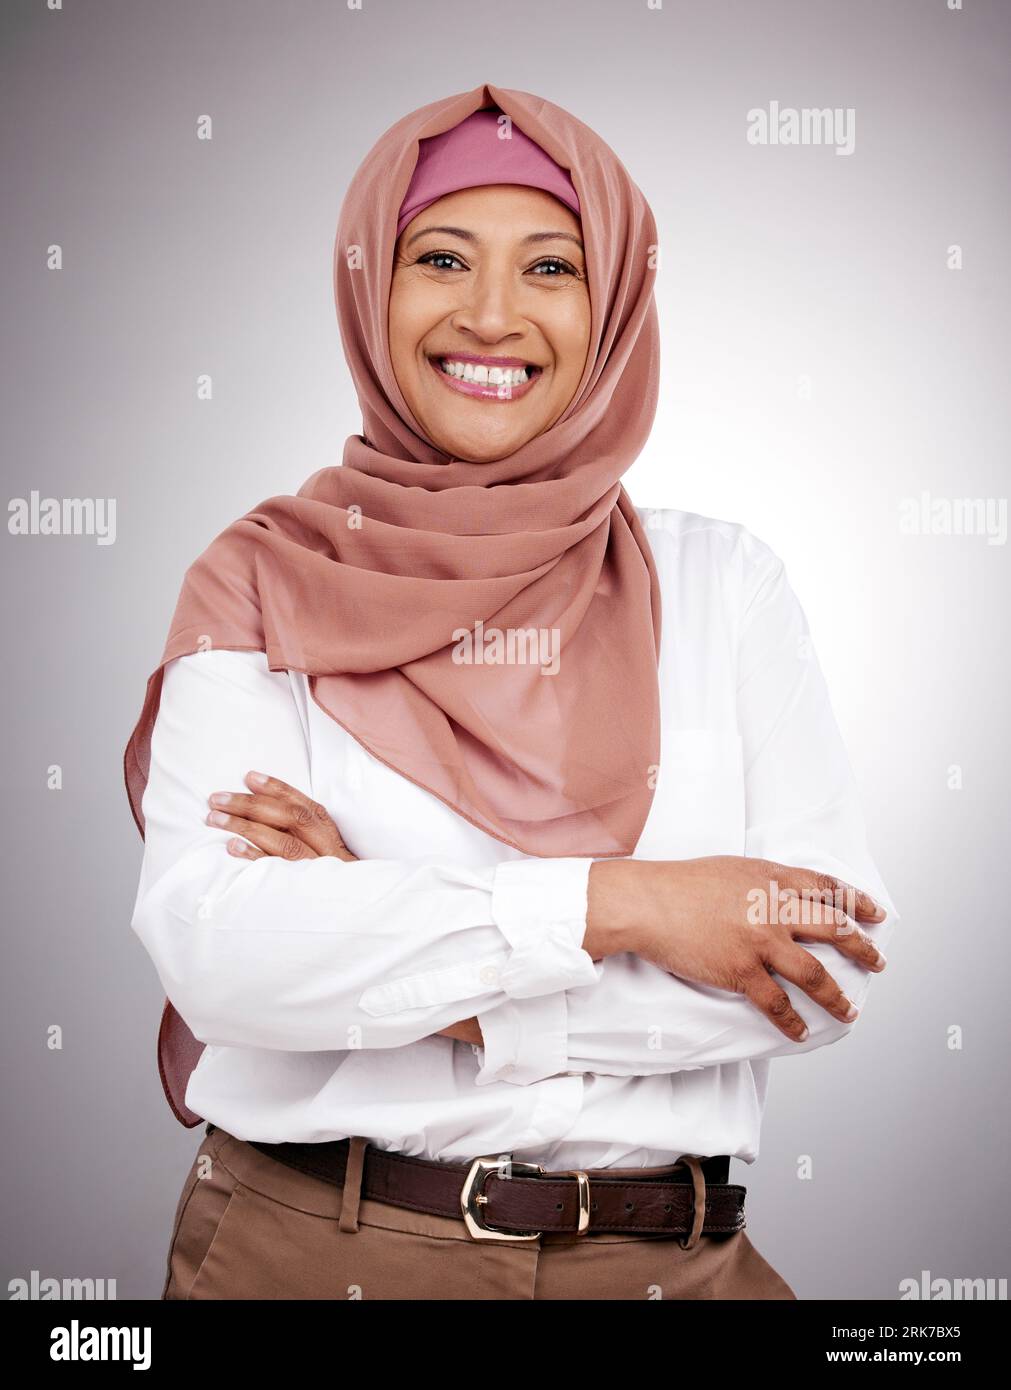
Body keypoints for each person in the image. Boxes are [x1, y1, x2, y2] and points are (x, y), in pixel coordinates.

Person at [123, 82, 898, 1301]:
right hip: (321, 1256)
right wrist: (629, 904)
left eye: (551, 267)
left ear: (615, 306)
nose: (492, 315)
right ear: (371, 286)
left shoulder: (722, 585)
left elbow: (829, 966)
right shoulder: (268, 582)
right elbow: (223, 959)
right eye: (441, 257)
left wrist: (424, 982)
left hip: (675, 1269)